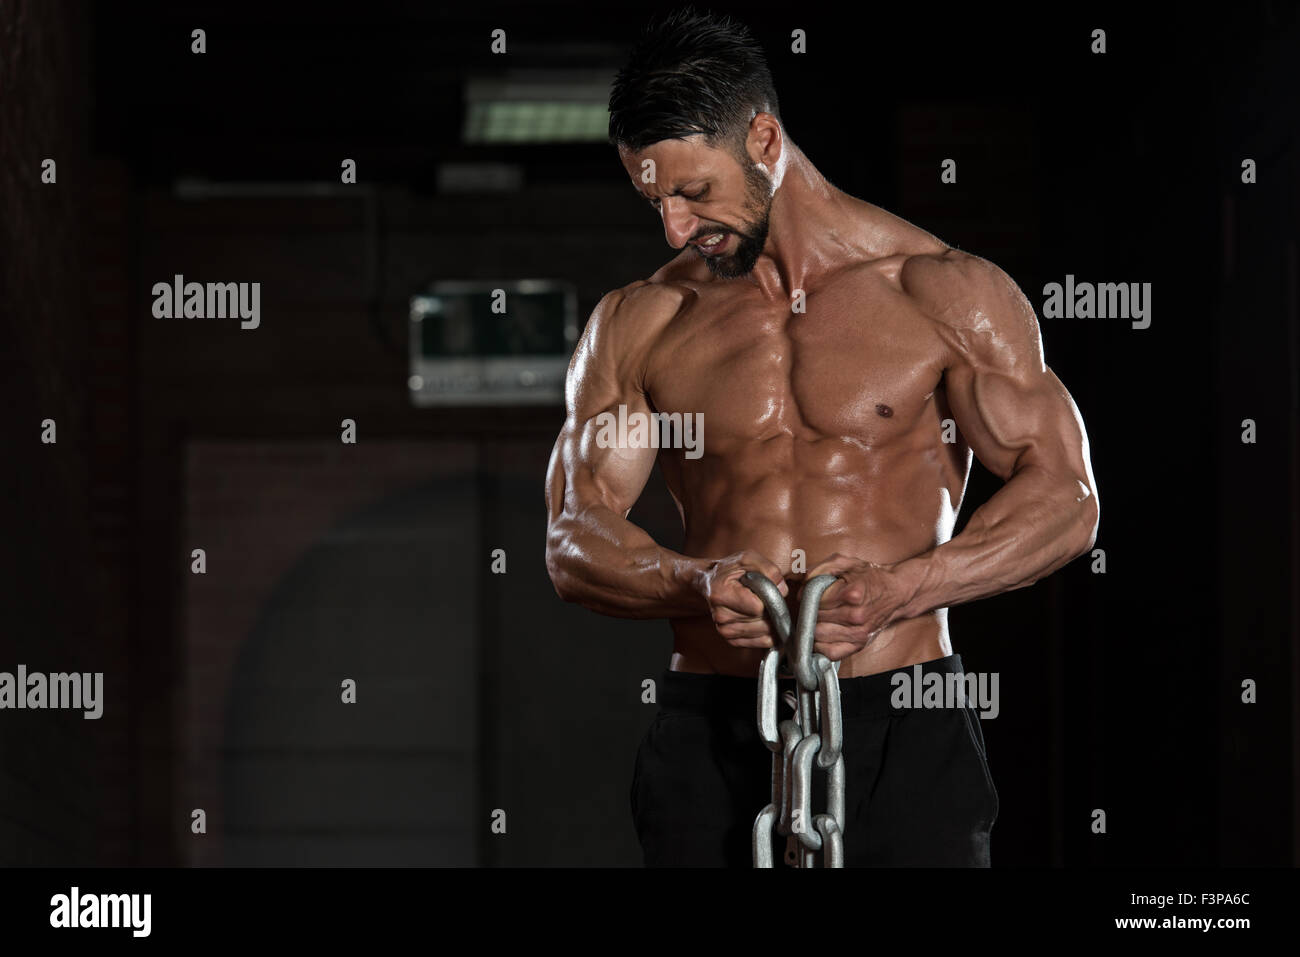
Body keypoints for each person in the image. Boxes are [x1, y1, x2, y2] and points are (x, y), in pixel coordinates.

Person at [544, 8, 1099, 867]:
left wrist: (911, 586)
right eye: (655, 200)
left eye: (693, 192)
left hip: (901, 722)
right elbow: (573, 539)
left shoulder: (942, 293)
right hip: (714, 724)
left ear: (763, 137)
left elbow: (1066, 499)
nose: (675, 229)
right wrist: (695, 581)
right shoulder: (642, 321)